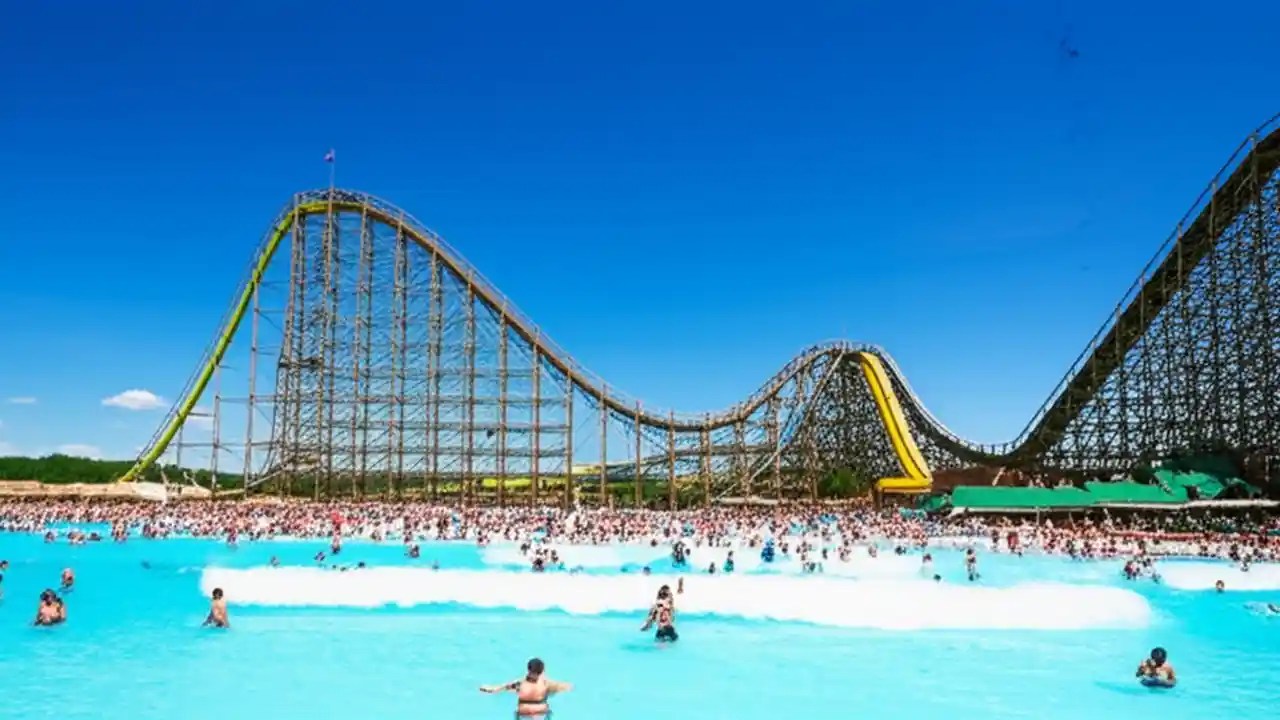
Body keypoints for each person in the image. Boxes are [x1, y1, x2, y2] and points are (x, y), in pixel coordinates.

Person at [480, 657, 571, 718]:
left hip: (524, 715)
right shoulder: (546, 684)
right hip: (541, 714)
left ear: (528, 669)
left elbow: (499, 688)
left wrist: (488, 689)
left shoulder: (520, 684)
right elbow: (566, 687)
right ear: (542, 671)